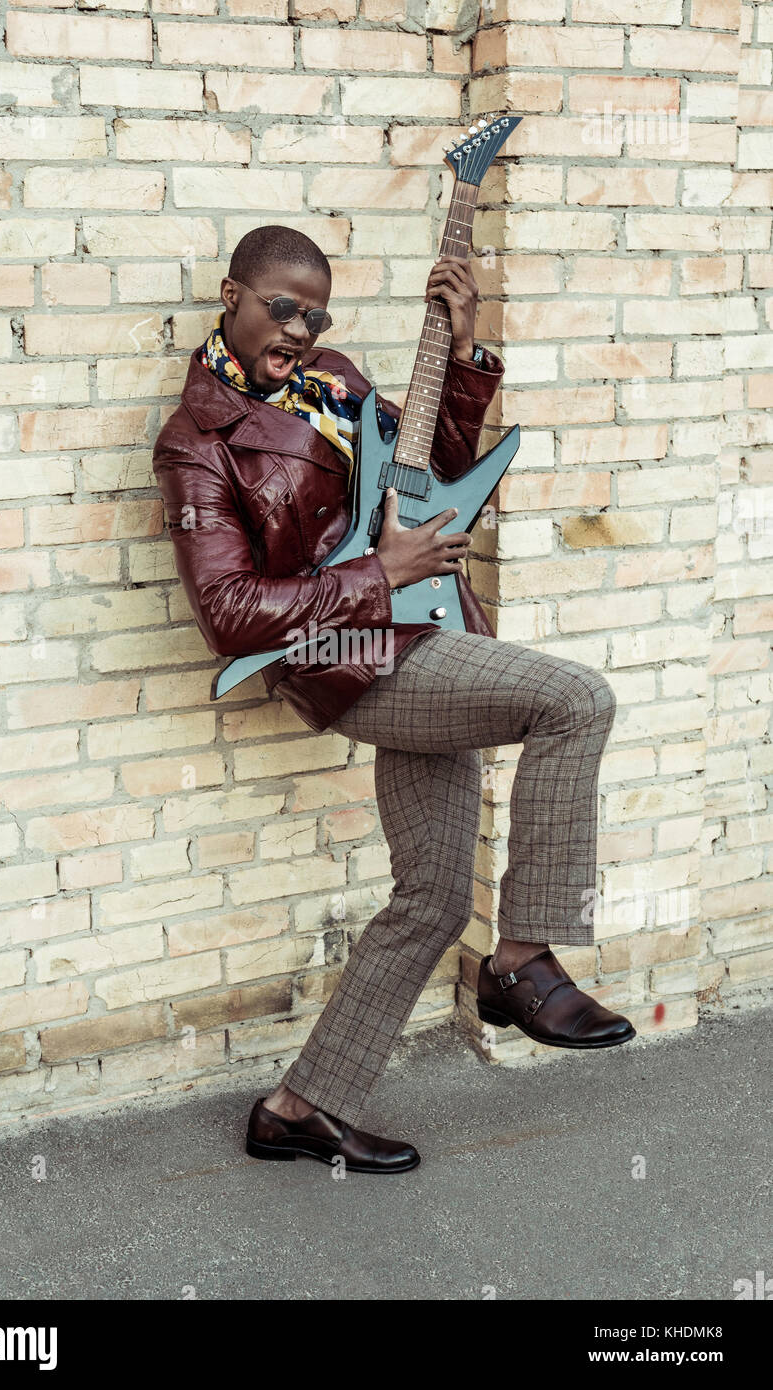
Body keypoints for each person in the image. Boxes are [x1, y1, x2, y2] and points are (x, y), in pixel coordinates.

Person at [153, 224, 634, 1177]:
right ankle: (522, 959)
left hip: (419, 631)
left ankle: (298, 1109)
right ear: (231, 296)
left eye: (315, 312)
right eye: (282, 307)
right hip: (344, 658)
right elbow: (228, 613)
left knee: (431, 897)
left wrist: (459, 358)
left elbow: (431, 476)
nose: (300, 328)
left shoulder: (336, 381)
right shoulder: (198, 441)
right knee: (575, 701)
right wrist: (379, 572)